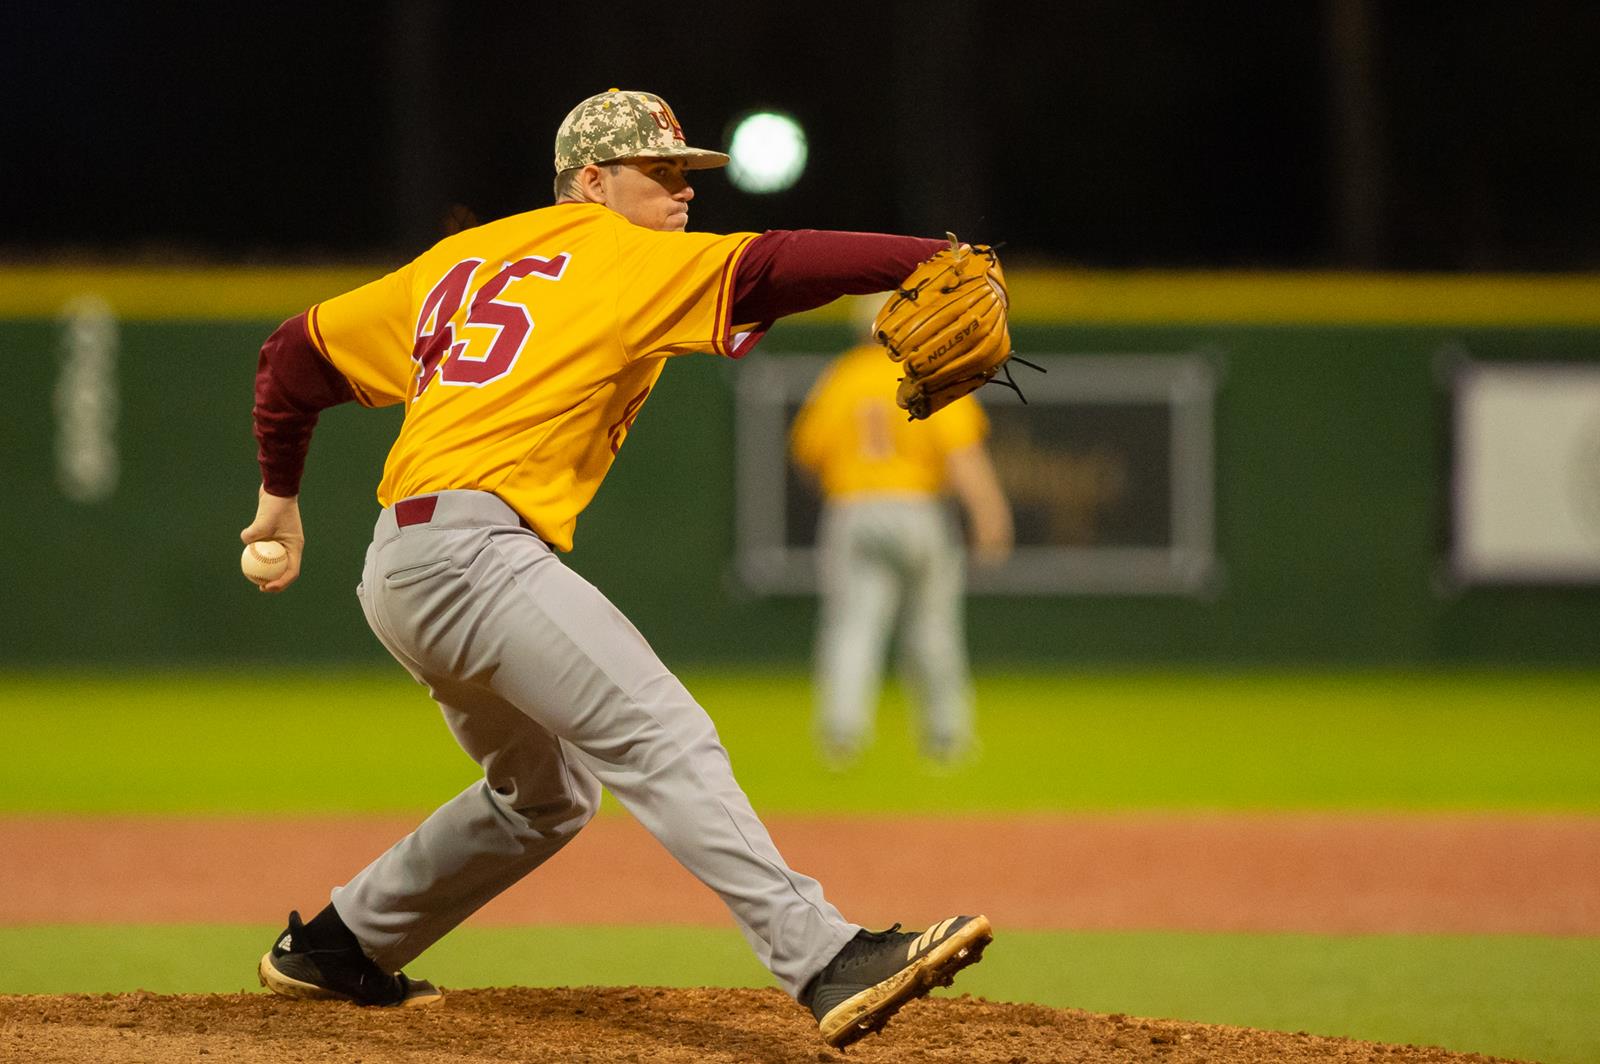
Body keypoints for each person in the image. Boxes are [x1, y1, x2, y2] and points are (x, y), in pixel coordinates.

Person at [241, 88, 991, 1049]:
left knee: (545, 797)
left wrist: (278, 502)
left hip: (400, 567)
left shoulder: (459, 260)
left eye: (689, 175)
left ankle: (339, 946)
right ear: (590, 181)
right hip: (478, 558)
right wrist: (927, 257)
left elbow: (288, 358)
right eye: (661, 172)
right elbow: (779, 261)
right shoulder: (619, 251)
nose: (683, 193)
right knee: (663, 731)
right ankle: (826, 957)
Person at [790, 315, 1013, 769]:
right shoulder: (927, 373)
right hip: (917, 509)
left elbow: (807, 453)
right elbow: (961, 454)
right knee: (933, 629)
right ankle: (946, 737)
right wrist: (990, 513)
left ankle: (842, 733)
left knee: (852, 625)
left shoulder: (842, 375)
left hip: (852, 508)